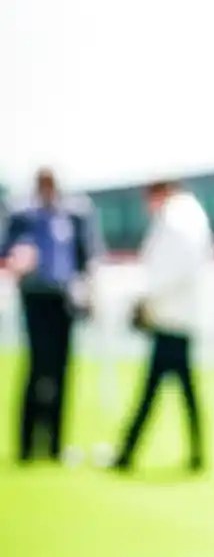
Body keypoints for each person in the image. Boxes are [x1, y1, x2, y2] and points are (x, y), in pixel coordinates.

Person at [112, 180, 214, 473]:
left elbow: (170, 270)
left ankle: (127, 453)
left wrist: (146, 298)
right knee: (181, 391)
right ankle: (194, 453)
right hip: (176, 316)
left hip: (172, 318)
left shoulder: (177, 220)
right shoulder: (186, 217)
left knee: (154, 390)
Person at [1, 168, 100, 464]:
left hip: (65, 300)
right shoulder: (22, 216)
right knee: (37, 370)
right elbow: (6, 251)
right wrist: (17, 258)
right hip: (35, 298)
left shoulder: (73, 216)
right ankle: (27, 445)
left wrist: (90, 291)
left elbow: (87, 256)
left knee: (61, 370)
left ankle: (56, 444)